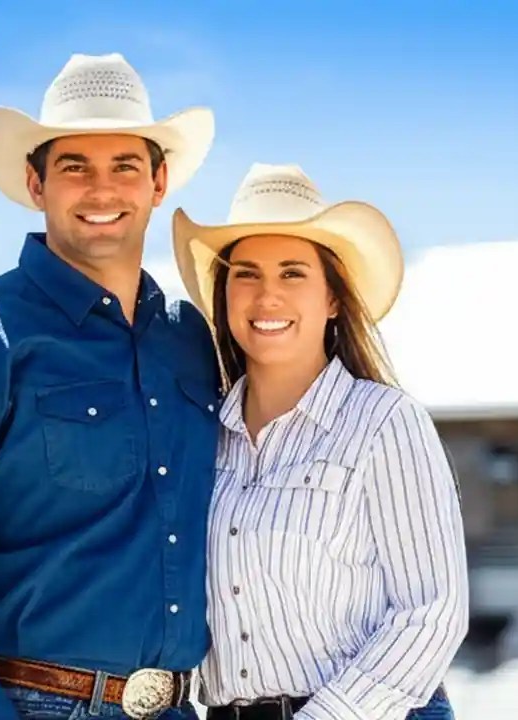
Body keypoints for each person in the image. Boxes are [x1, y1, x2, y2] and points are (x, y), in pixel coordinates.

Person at [0, 53, 220, 720]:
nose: (102, 190)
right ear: (36, 183)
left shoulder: (191, 340)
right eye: (75, 167)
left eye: (125, 166)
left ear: (159, 182)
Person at [171, 163, 470, 720]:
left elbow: (432, 612)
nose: (267, 296)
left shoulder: (384, 423)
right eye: (246, 275)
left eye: (292, 274)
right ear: (224, 295)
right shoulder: (201, 441)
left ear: (332, 298)